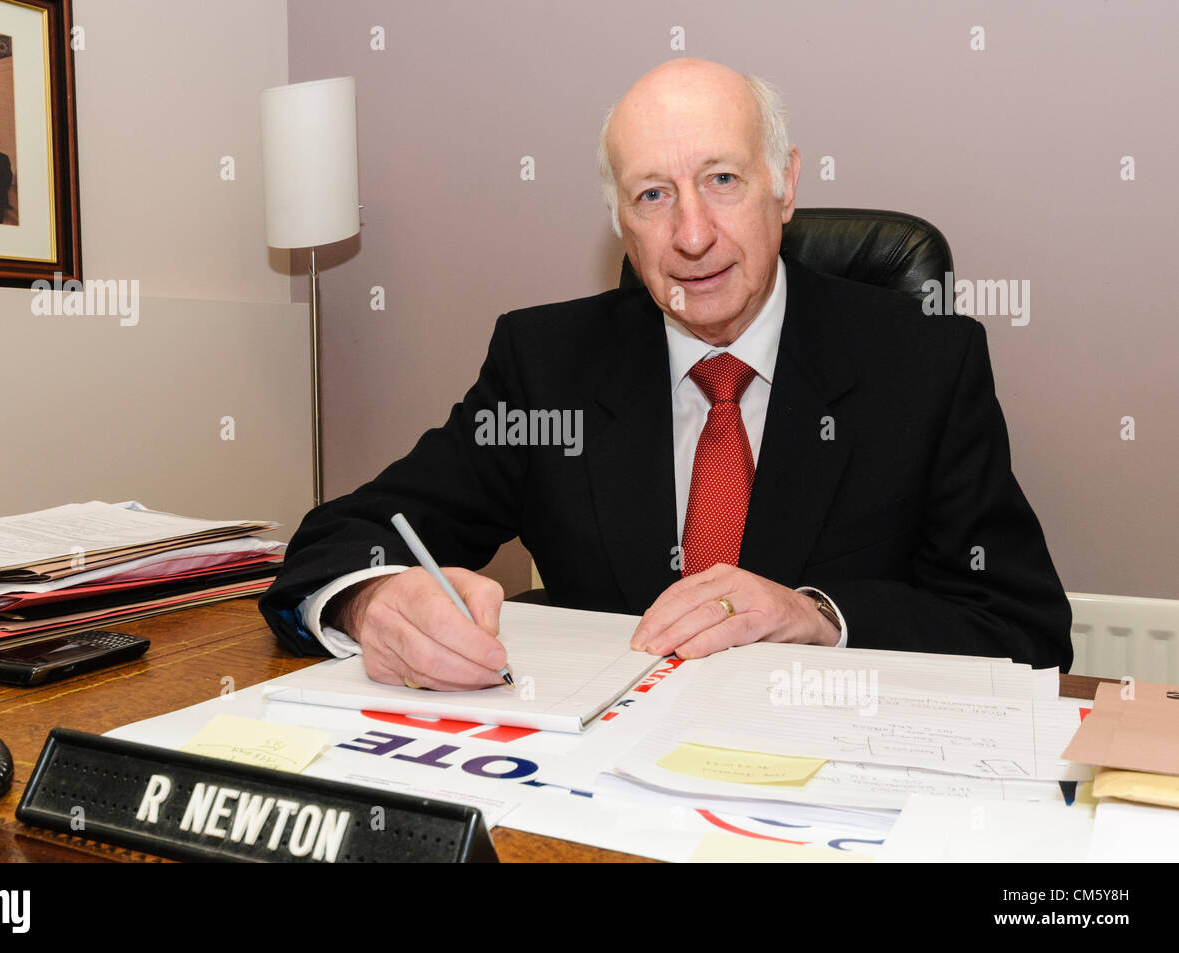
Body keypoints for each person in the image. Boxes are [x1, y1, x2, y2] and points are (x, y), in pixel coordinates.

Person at [259, 59, 1072, 690]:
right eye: (652, 195)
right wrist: (370, 601)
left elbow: (1024, 628)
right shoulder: (547, 366)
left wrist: (820, 616)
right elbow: (344, 535)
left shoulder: (924, 361)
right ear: (620, 219)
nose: (691, 234)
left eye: (722, 179)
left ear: (784, 182)